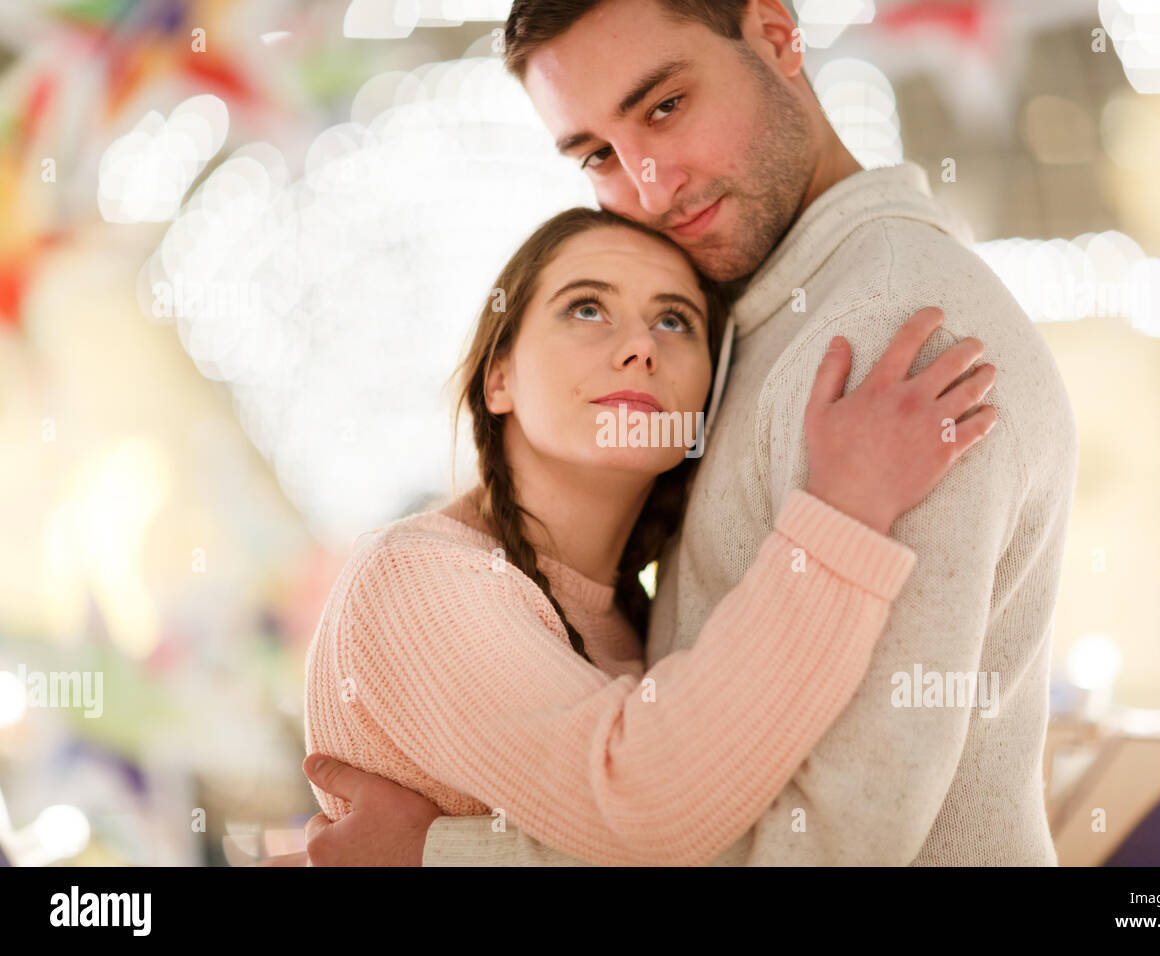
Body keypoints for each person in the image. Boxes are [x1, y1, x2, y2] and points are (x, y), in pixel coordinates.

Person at [301, 0, 1077, 867]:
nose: (648, 184)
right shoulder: (773, 311)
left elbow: (828, 843)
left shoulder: (886, 331)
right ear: (498, 372)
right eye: (596, 154)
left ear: (778, 35)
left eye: (665, 106)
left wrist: (438, 859)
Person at [301, 204, 995, 866]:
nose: (638, 347)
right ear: (499, 376)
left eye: (674, 320)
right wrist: (844, 509)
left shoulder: (628, 620)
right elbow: (646, 802)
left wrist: (440, 856)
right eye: (587, 308)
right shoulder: (416, 578)